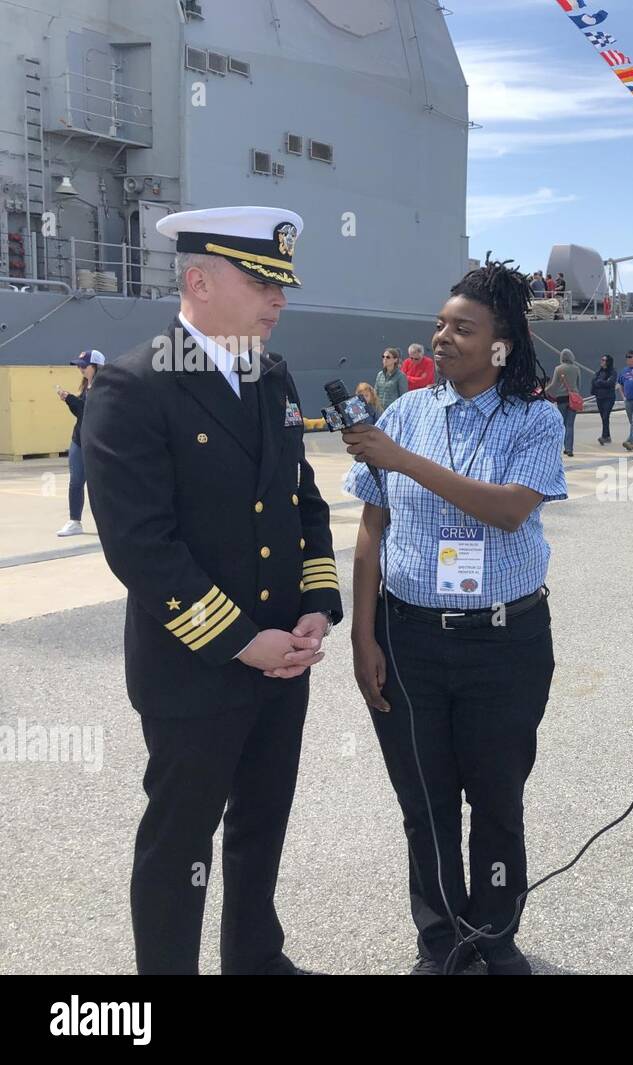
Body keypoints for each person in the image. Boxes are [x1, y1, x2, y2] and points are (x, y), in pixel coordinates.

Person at [81, 206, 343, 975]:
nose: (280, 299)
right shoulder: (134, 385)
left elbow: (302, 499)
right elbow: (141, 546)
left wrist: (313, 607)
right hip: (196, 668)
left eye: (281, 283)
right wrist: (241, 641)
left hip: (282, 657)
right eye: (263, 280)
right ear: (198, 280)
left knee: (262, 824)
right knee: (180, 841)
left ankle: (255, 959)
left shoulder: (272, 376)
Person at [341, 259, 566, 977]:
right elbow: (371, 529)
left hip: (506, 644)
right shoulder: (403, 413)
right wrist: (362, 633)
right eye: (439, 323)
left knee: (497, 801)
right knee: (425, 804)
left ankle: (494, 939)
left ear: (501, 344)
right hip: (408, 640)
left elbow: (506, 509)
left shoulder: (534, 419)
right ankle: (441, 942)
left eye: (462, 328)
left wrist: (402, 461)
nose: (442, 337)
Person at [55, 349, 104, 536]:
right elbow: (80, 414)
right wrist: (69, 400)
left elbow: (88, 412)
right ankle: (74, 521)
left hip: (96, 441)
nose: (80, 369)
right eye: (79, 365)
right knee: (76, 481)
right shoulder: (86, 386)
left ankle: (107, 523)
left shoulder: (103, 387)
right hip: (79, 439)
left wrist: (70, 399)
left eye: (84, 366)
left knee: (98, 484)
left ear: (96, 367)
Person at [545, 347, 582, 457]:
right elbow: (579, 385)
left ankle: (559, 448)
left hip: (561, 399)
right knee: (570, 425)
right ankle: (569, 448)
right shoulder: (576, 368)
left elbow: (554, 385)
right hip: (573, 399)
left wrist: (545, 390)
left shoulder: (558, 369)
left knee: (562, 424)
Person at [592, 354, 617, 444]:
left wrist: (600, 382)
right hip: (599, 397)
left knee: (606, 416)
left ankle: (604, 436)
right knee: (603, 417)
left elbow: (610, 383)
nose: (601, 361)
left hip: (609, 398)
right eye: (601, 359)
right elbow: (594, 382)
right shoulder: (599, 372)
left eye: (603, 360)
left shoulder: (613, 372)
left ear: (608, 362)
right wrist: (602, 382)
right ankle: (607, 436)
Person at [374, 347, 409, 412]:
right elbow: (375, 393)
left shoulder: (400, 376)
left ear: (395, 360)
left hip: (393, 411)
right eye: (383, 357)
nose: (385, 359)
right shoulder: (380, 375)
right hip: (380, 411)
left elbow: (404, 396)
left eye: (388, 357)